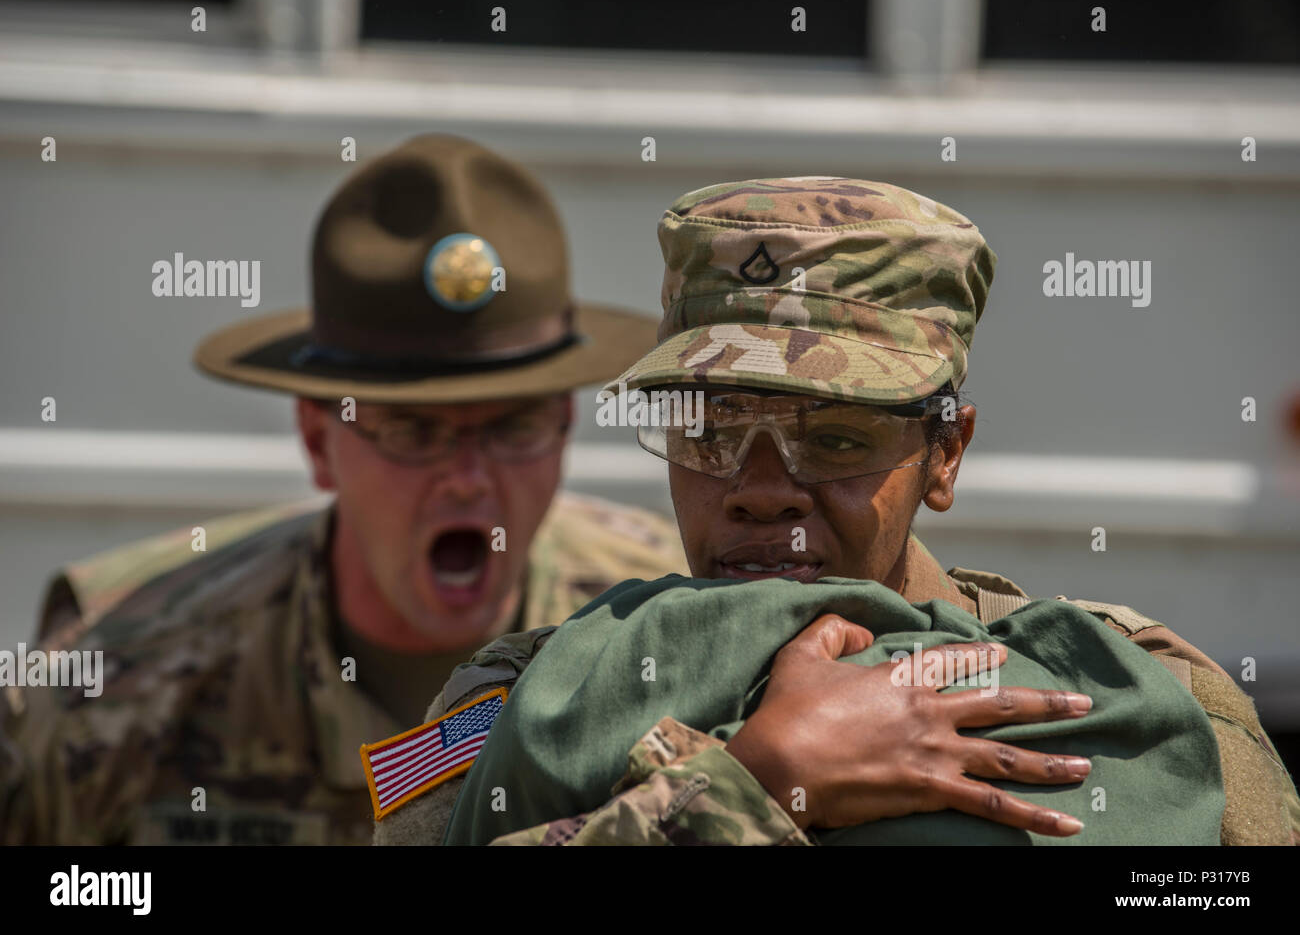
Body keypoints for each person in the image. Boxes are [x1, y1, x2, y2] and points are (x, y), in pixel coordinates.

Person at [374, 177, 1300, 846]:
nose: (760, 485)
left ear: (946, 453)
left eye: (837, 439)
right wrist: (753, 787)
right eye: (710, 428)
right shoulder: (532, 695)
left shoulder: (1138, 693)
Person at [0, 134, 686, 845]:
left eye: (515, 427)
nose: (468, 478)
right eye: (413, 432)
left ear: (567, 424)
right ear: (318, 441)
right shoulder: (118, 675)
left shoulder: (674, 638)